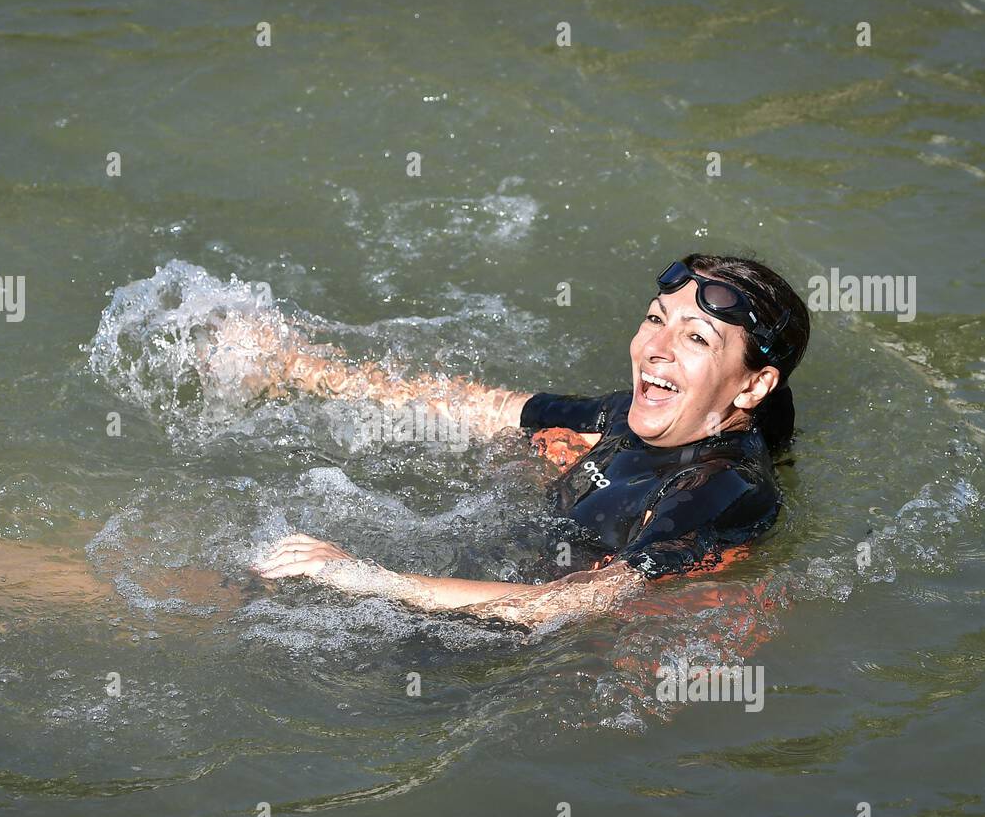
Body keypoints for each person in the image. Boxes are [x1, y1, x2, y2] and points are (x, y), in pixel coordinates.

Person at [251, 253, 811, 630]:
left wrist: (364, 578)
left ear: (754, 385)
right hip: (460, 587)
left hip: (502, 656)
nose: (654, 348)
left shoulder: (722, 490)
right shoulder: (630, 411)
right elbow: (492, 407)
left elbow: (567, 606)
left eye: (694, 337)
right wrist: (296, 368)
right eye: (654, 319)